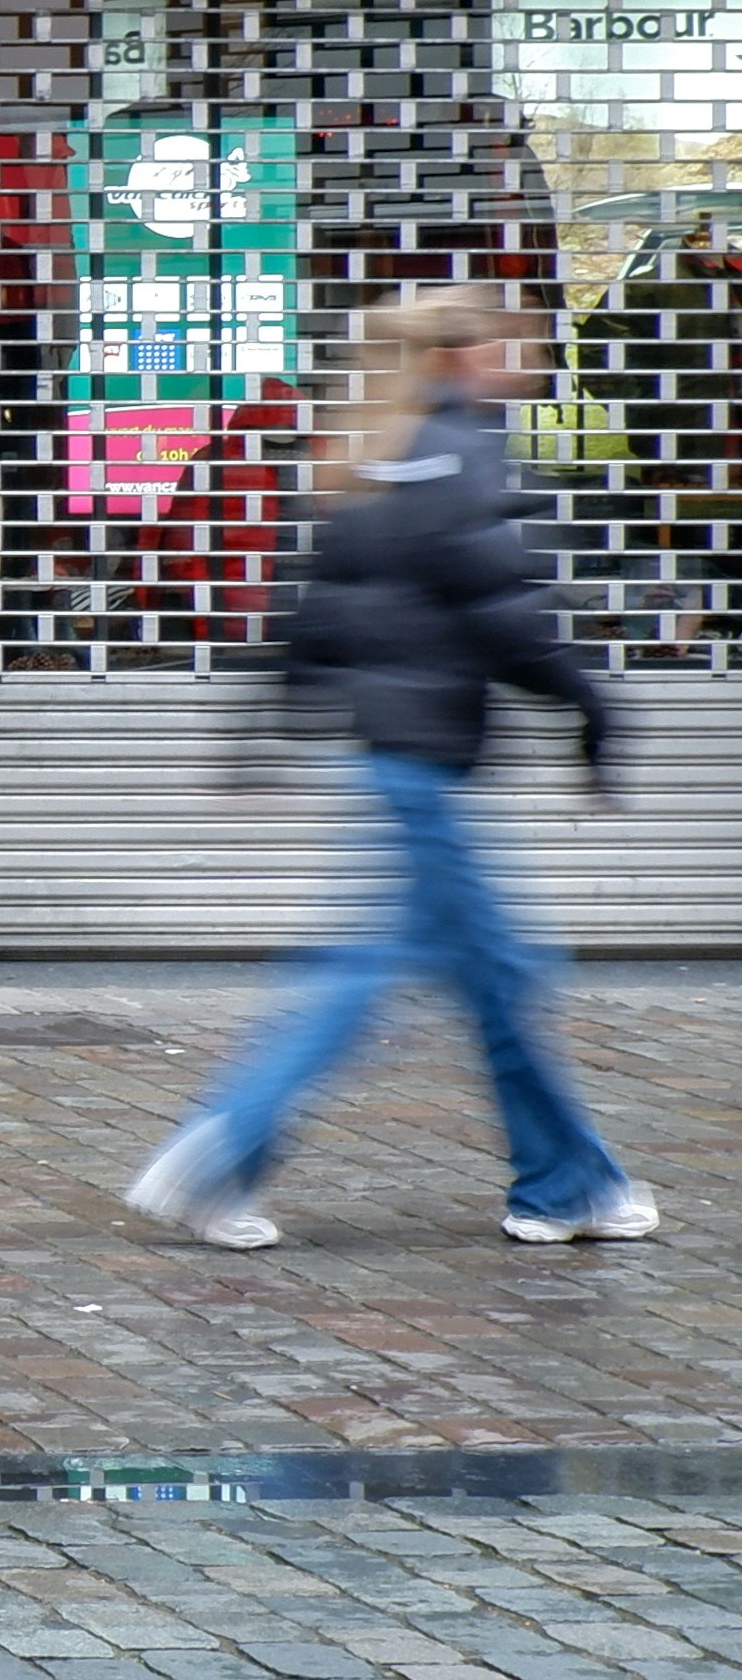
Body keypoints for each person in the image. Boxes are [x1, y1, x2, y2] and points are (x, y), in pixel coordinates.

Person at [126, 288, 651, 1252]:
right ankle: (221, 1149)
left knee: (495, 977)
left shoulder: (366, 453)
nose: (530, 357)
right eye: (517, 339)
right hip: (427, 766)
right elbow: (504, 611)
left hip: (395, 760)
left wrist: (255, 735)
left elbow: (310, 614)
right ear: (468, 354)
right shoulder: (459, 453)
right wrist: (595, 707)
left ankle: (566, 1183)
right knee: (367, 983)